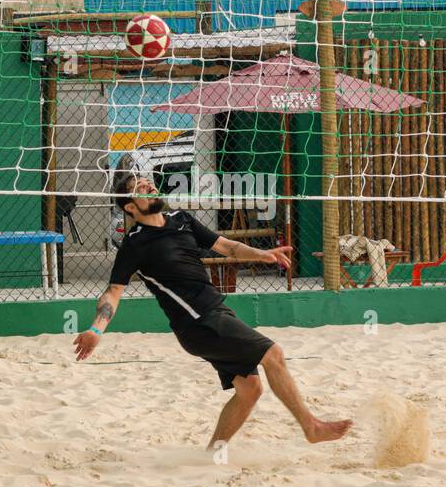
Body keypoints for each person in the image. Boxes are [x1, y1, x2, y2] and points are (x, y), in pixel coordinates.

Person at [73, 173, 352, 448]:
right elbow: (113, 292)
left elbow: (226, 246)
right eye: (139, 187)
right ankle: (311, 428)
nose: (148, 185)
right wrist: (97, 328)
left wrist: (260, 254)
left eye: (148, 182)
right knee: (274, 354)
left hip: (216, 312)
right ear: (130, 207)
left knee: (249, 390)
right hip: (198, 323)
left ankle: (212, 455)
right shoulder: (135, 244)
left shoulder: (182, 220)